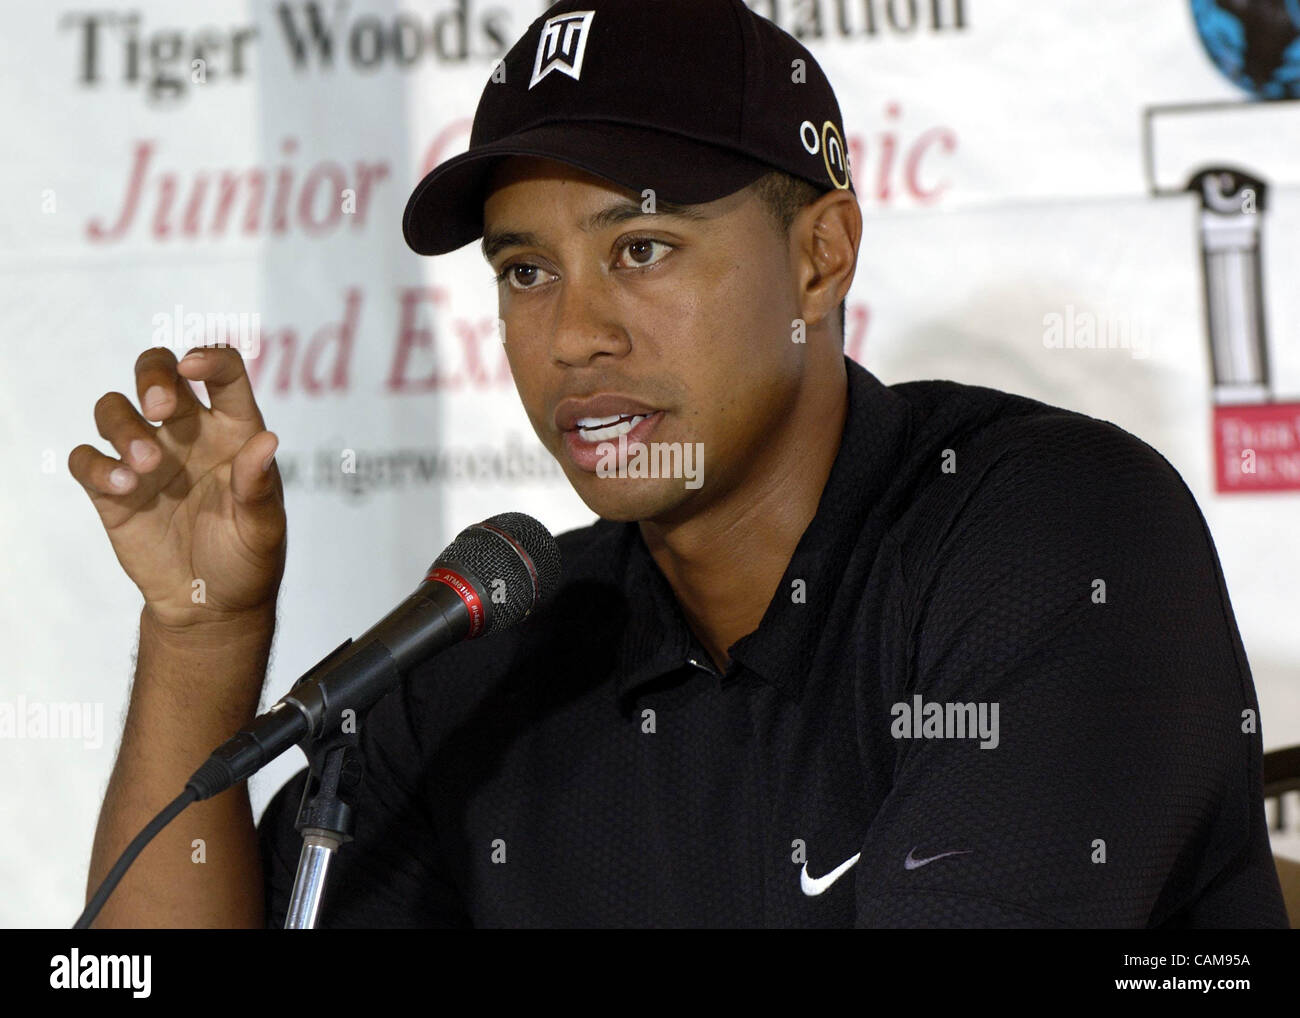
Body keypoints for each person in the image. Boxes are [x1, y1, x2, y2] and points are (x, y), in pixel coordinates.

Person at [74, 0, 1289, 928]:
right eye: (524, 271)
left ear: (820, 256)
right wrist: (202, 634)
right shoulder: (486, 659)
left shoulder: (1055, 536)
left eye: (642, 246)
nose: (574, 333)